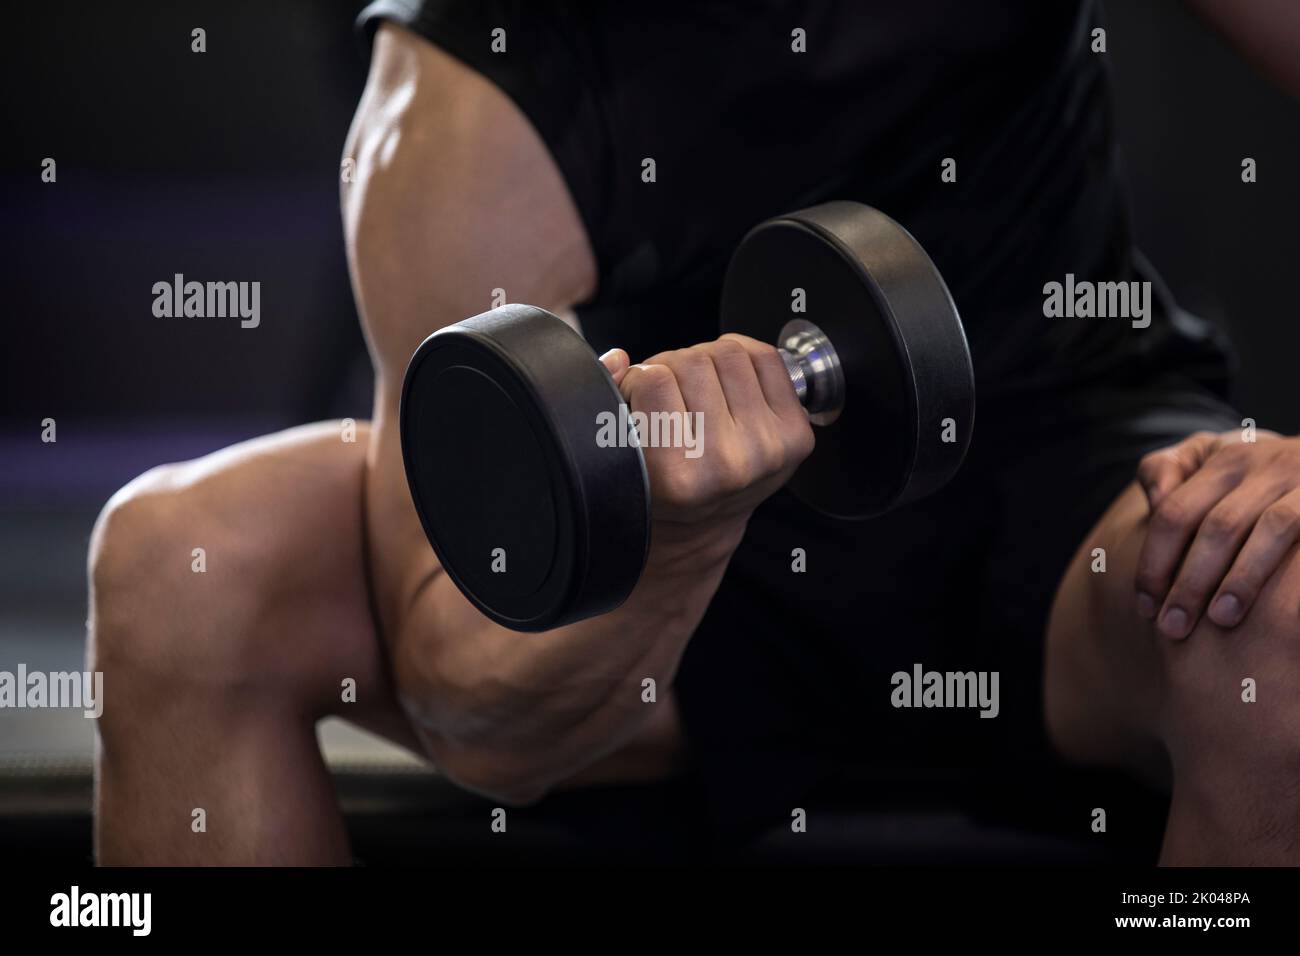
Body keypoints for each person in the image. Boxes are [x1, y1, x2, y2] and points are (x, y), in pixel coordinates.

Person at [89, 0, 1300, 864]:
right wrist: (672, 539)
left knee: (1280, 618)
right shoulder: (456, 110)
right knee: (181, 563)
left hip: (1062, 478)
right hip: (659, 561)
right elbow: (472, 698)